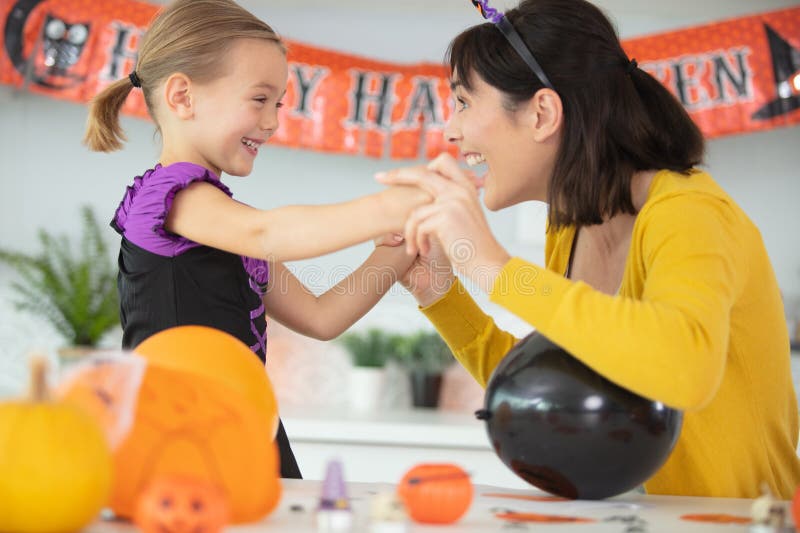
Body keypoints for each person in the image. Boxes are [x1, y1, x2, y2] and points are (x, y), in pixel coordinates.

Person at [377, 0, 800, 498]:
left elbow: (683, 367)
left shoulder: (691, 213)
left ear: (542, 113)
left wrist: (495, 269)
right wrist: (439, 293)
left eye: (465, 102)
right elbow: (558, 393)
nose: (451, 130)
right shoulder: (570, 228)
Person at [83, 0, 428, 479]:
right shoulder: (166, 199)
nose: (272, 122)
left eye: (280, 103)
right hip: (179, 438)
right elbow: (271, 232)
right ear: (183, 96)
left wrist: (402, 246)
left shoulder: (227, 223)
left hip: (246, 428)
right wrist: (389, 207)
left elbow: (322, 317)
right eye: (259, 99)